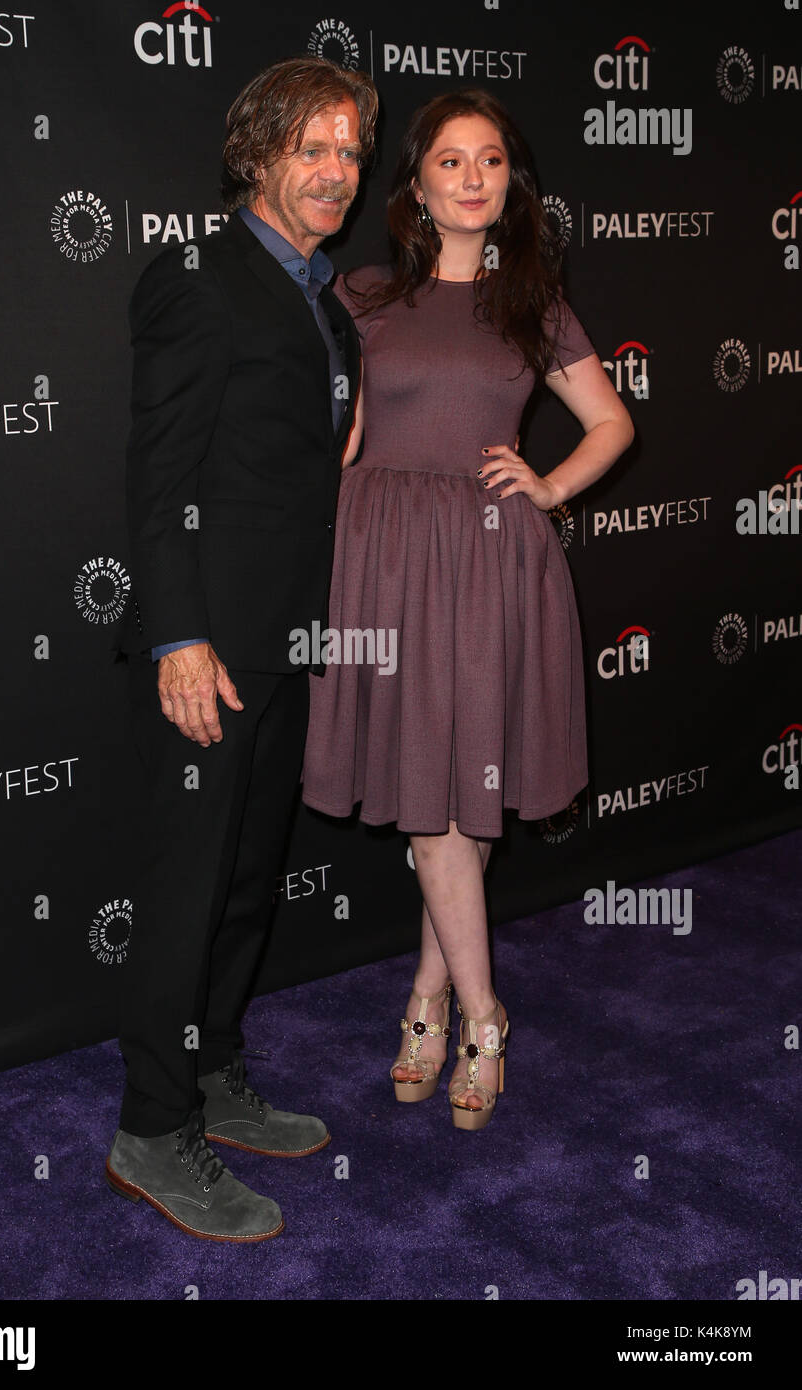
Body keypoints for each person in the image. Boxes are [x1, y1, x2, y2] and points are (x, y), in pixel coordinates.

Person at [301, 90, 634, 1131]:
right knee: (437, 794)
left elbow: (612, 421)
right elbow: (337, 433)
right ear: (415, 184)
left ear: (512, 183)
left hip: (491, 564)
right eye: (451, 161)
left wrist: (550, 485)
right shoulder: (358, 294)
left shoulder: (532, 298)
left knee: (463, 798)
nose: (474, 177)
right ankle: (458, 1001)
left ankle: (449, 1005)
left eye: (492, 160)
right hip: (387, 561)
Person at [106, 57, 378, 1240]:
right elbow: (158, 479)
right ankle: (151, 1128)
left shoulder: (321, 296)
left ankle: (212, 1073)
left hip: (286, 637)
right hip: (210, 648)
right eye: (311, 148)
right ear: (258, 154)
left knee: (247, 878)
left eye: (351, 152)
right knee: (185, 889)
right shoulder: (200, 279)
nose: (336, 172)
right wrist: (177, 635)